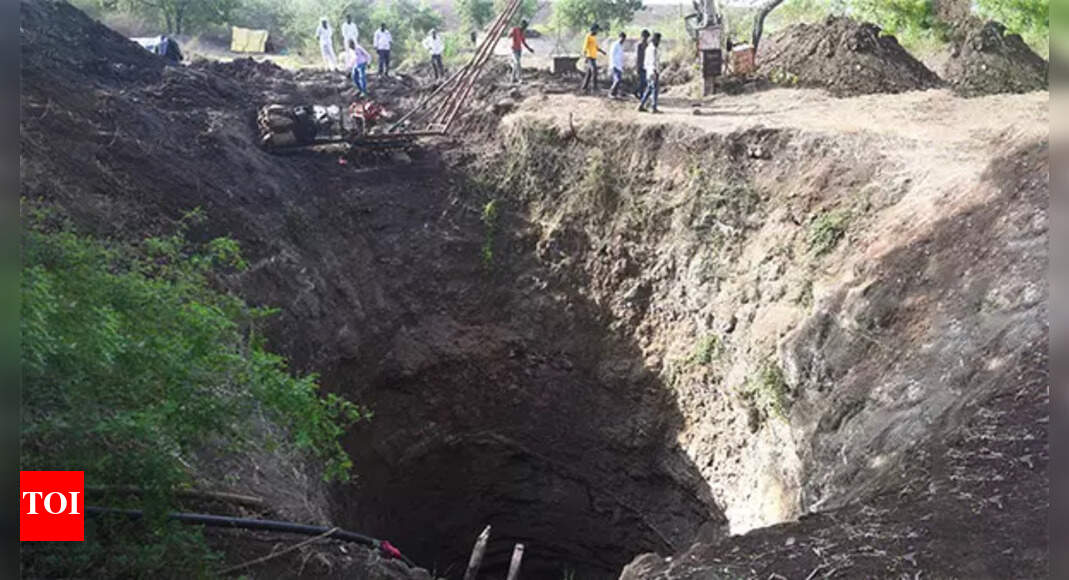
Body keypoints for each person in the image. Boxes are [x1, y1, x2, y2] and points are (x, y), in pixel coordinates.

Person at [580, 24, 607, 93]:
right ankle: (594, 88)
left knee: (589, 73)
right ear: (593, 29)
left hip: (594, 57)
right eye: (597, 30)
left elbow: (596, 47)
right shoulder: (588, 36)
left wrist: (602, 51)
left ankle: (584, 87)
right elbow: (585, 47)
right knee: (594, 70)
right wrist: (585, 56)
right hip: (589, 57)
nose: (597, 31)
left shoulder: (594, 37)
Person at [638, 32, 661, 113]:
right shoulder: (653, 49)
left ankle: (641, 105)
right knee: (655, 89)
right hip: (653, 71)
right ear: (655, 39)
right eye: (658, 40)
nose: (659, 42)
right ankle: (653, 107)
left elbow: (646, 62)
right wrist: (655, 71)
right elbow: (653, 61)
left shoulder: (648, 48)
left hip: (649, 71)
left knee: (649, 89)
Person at [508, 19, 534, 84]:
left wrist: (529, 49)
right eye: (524, 26)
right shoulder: (515, 29)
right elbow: (509, 36)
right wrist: (511, 31)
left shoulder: (522, 33)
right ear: (521, 25)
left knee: (515, 64)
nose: (524, 28)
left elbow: (524, 42)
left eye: (525, 27)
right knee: (518, 63)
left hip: (519, 50)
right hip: (514, 49)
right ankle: (520, 79)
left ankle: (513, 78)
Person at [608, 31, 626, 98]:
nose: (623, 40)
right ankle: (611, 93)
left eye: (624, 39)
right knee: (617, 80)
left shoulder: (621, 46)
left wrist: (622, 65)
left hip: (619, 66)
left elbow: (620, 57)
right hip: (614, 65)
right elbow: (612, 55)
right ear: (619, 37)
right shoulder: (615, 44)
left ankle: (615, 93)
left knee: (618, 80)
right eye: (622, 38)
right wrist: (612, 65)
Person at [633, 29, 650, 99]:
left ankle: (637, 92)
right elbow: (638, 57)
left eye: (646, 37)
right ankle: (640, 93)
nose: (645, 39)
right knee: (642, 81)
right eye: (645, 37)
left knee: (644, 82)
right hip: (640, 65)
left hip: (646, 65)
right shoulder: (639, 45)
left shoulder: (647, 45)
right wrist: (637, 66)